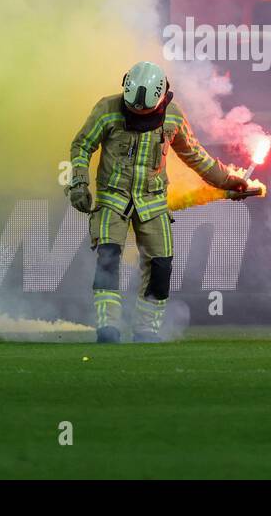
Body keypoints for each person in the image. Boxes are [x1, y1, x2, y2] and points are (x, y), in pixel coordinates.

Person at [67, 61, 254, 343]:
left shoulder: (174, 118)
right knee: (108, 257)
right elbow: (82, 145)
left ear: (161, 98)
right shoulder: (106, 110)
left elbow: (196, 156)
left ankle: (147, 331)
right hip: (112, 198)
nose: (139, 118)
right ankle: (108, 329)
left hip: (153, 202)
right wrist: (79, 183)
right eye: (133, 112)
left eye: (146, 114)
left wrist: (228, 181)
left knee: (161, 266)